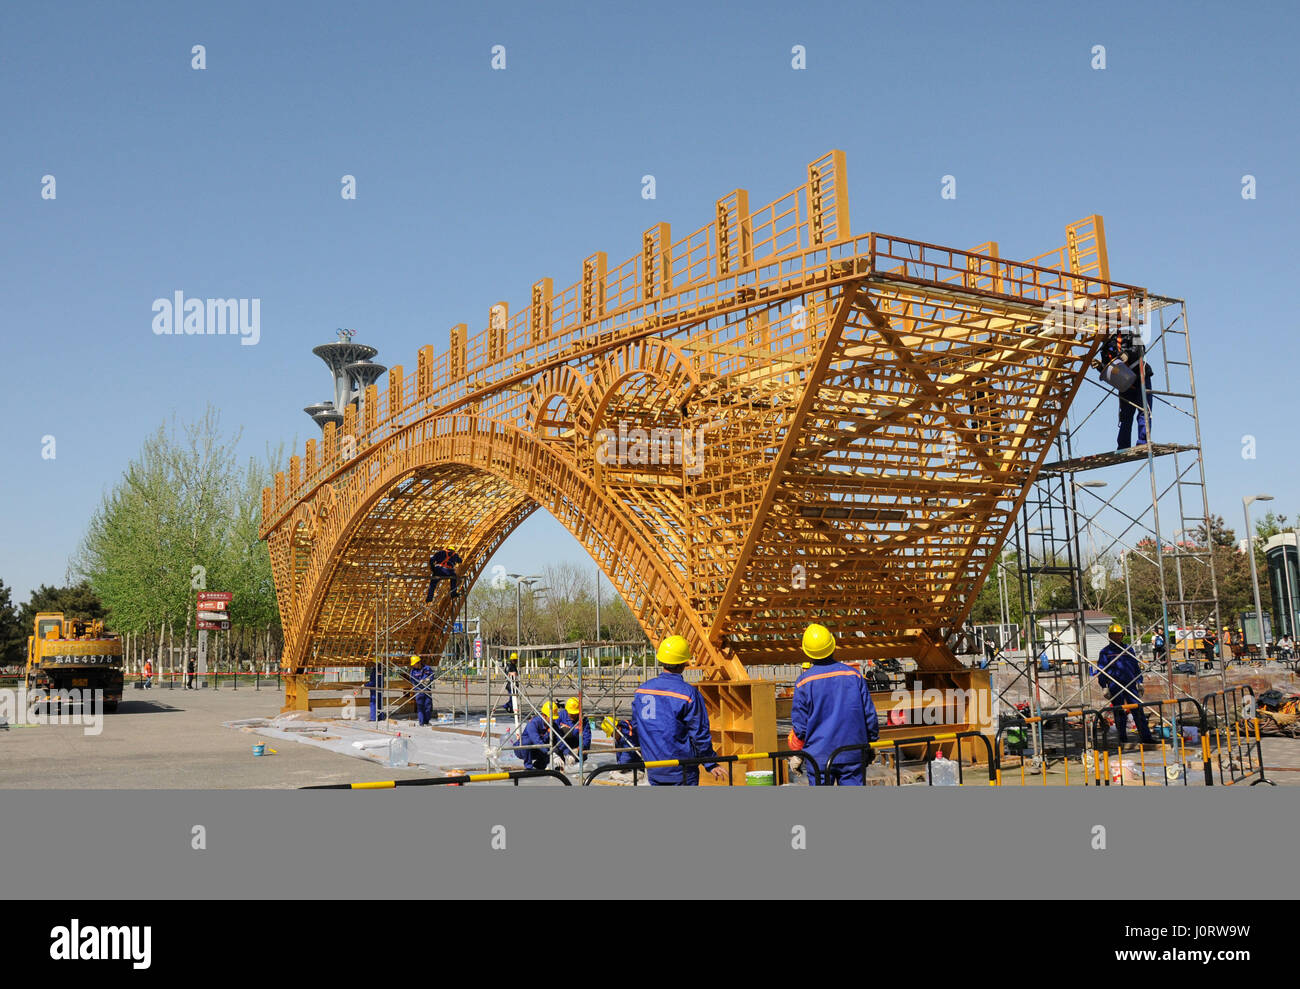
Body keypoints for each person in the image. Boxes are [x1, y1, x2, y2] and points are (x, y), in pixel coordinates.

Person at [788, 624, 880, 786]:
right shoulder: (853, 675)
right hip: (852, 752)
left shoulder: (804, 682)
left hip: (819, 757)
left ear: (807, 652)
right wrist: (872, 742)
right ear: (832, 646)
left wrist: (798, 753)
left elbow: (800, 727)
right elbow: (869, 715)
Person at [631, 635, 726, 785]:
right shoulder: (687, 694)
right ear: (684, 663)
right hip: (681, 769)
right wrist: (710, 763)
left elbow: (637, 726)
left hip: (653, 767)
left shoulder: (641, 691)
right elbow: (699, 734)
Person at [1093, 624, 1155, 747]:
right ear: (1110, 637)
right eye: (1114, 635)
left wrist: (1140, 681)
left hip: (1130, 683)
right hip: (1115, 684)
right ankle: (1122, 738)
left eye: (1119, 635)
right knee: (1119, 712)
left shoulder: (1128, 649)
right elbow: (1102, 670)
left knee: (1138, 709)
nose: (1117, 637)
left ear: (1122, 636)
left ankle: (1146, 737)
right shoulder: (1106, 652)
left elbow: (1135, 665)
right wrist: (1104, 686)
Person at [1099, 332, 1154, 450]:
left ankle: (1143, 441)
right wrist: (1100, 367)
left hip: (1140, 377)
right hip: (1124, 382)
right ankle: (1123, 445)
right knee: (1125, 416)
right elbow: (1109, 371)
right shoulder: (1104, 350)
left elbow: (1141, 348)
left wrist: (1128, 354)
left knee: (1144, 411)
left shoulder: (1126, 335)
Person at [514, 701, 560, 771]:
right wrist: (551, 754)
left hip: (537, 750)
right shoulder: (534, 723)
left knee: (550, 747)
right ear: (543, 715)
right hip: (522, 749)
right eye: (551, 718)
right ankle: (528, 767)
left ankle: (538, 765)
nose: (553, 720)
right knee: (528, 741)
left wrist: (564, 754)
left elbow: (559, 740)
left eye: (554, 718)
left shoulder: (553, 725)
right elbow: (536, 740)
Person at [555, 696, 591, 768]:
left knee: (577, 766)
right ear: (567, 711)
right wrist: (566, 752)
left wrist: (578, 749)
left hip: (577, 746)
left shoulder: (583, 719)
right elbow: (555, 734)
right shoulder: (561, 716)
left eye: (575, 713)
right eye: (571, 713)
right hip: (563, 746)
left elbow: (587, 738)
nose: (573, 715)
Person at [404, 655, 436, 726]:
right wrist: (417, 683)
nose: (414, 666)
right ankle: (421, 723)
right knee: (420, 706)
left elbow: (431, 676)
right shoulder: (413, 671)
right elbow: (412, 680)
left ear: (418, 662)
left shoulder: (427, 668)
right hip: (418, 690)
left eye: (414, 664)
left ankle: (426, 722)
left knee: (428, 706)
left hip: (427, 690)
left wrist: (427, 680)